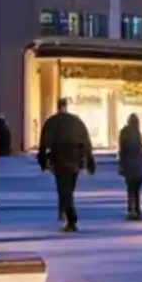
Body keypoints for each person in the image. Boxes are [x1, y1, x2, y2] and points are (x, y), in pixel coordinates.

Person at [37, 98, 94, 233]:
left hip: (60, 159)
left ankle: (70, 217)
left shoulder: (52, 122)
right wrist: (88, 159)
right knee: (69, 188)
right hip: (75, 160)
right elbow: (86, 141)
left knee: (64, 189)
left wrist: (43, 160)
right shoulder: (77, 121)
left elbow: (44, 143)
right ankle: (67, 212)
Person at [117, 114, 142, 220]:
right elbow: (140, 149)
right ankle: (136, 208)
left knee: (130, 188)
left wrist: (121, 163)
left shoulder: (124, 132)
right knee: (136, 188)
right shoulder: (136, 133)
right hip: (137, 164)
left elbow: (122, 149)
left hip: (128, 163)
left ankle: (131, 208)